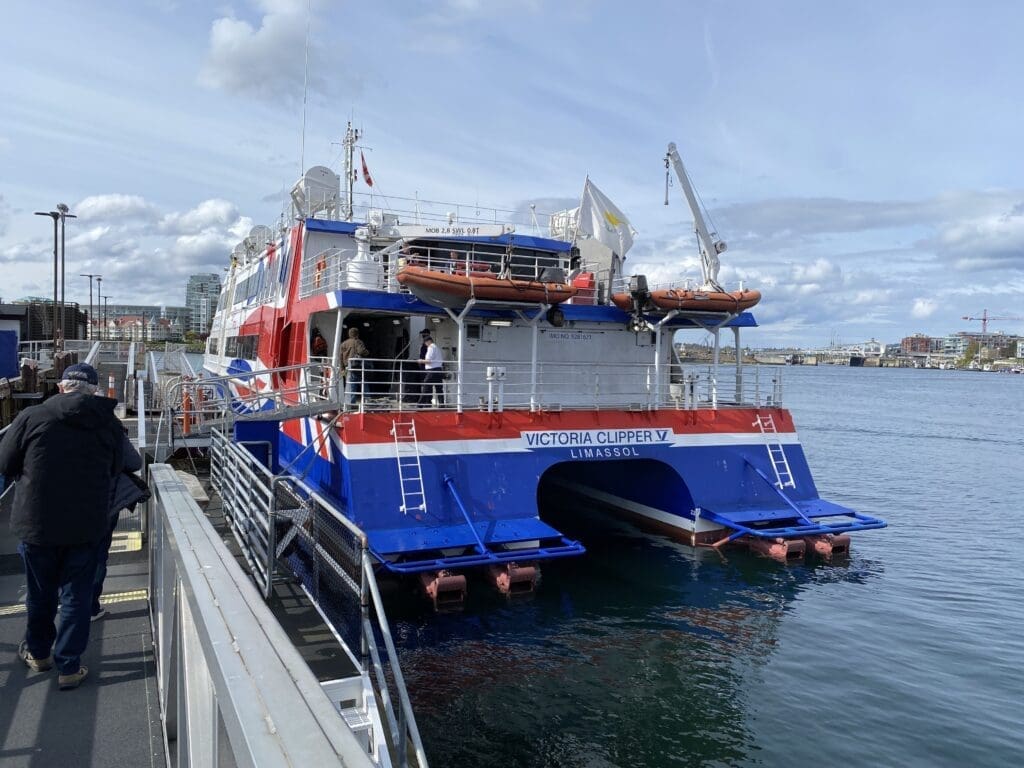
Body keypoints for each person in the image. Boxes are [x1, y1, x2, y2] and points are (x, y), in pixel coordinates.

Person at [0, 363, 126, 690]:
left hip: (37, 522)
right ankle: (69, 665)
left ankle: (39, 653)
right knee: (77, 596)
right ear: (94, 391)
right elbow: (123, 465)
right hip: (87, 524)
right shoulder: (107, 421)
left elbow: (5, 462)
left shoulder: (32, 416)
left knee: (40, 593)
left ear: (61, 386)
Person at [91, 431, 147, 621]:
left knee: (71, 555)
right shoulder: (109, 427)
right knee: (98, 556)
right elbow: (134, 462)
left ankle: (71, 603)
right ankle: (90, 606)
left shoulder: (53, 425)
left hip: (66, 505)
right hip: (106, 500)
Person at [339, 327, 369, 407]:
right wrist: (367, 352)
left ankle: (351, 404)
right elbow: (361, 351)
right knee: (364, 384)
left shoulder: (343, 344)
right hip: (357, 367)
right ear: (357, 334)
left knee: (351, 386)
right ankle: (367, 402)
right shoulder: (358, 342)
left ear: (349, 334)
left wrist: (342, 369)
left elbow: (340, 357)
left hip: (347, 367)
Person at [418, 335, 445, 407]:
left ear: (428, 341)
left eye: (425, 342)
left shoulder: (430, 348)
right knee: (439, 389)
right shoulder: (437, 348)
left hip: (432, 371)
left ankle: (420, 405)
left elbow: (428, 361)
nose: (425, 344)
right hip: (439, 370)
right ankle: (442, 404)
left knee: (426, 387)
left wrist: (421, 361)